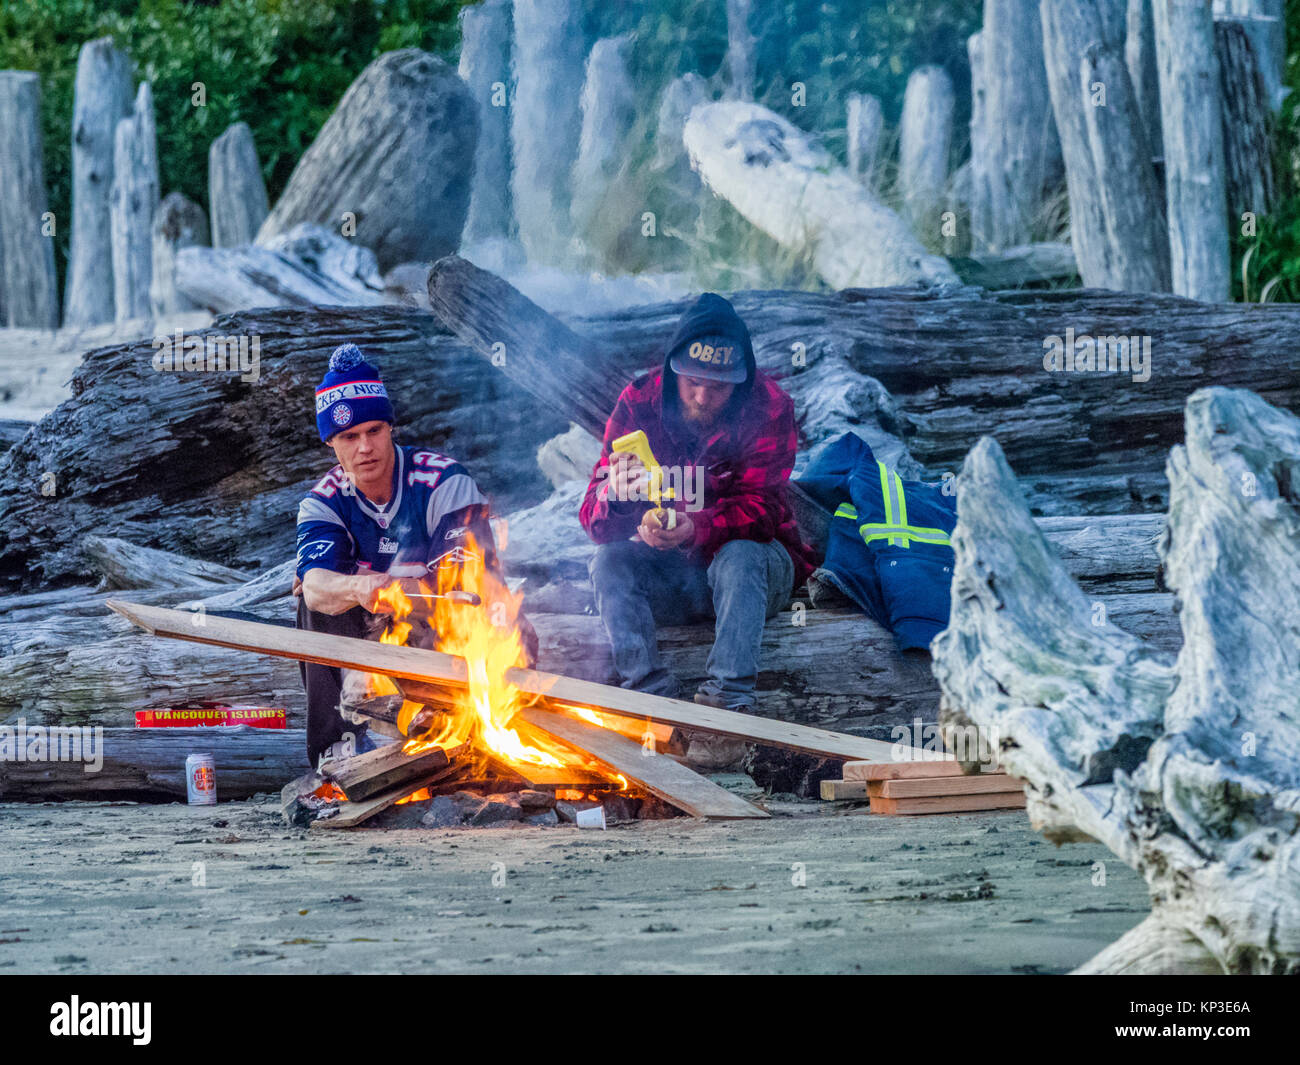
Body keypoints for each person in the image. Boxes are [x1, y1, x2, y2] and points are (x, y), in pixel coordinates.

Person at [579, 292, 815, 712]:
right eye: (693, 383)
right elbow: (594, 525)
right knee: (607, 561)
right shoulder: (638, 401)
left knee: (740, 556)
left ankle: (727, 707)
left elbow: (765, 512)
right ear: (674, 372)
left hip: (756, 579)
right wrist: (614, 495)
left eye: (718, 387)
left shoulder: (770, 406)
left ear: (739, 383)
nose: (703, 398)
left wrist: (696, 529)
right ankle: (652, 702)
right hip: (676, 582)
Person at [293, 343, 509, 768]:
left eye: (374, 430)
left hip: (455, 636)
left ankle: (453, 736)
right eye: (349, 437)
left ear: (391, 428)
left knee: (453, 611)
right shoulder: (322, 501)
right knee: (311, 605)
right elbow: (316, 588)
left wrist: (387, 587)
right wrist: (356, 586)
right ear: (331, 444)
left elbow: (463, 592)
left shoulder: (444, 482)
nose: (364, 447)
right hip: (377, 633)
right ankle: (337, 750)